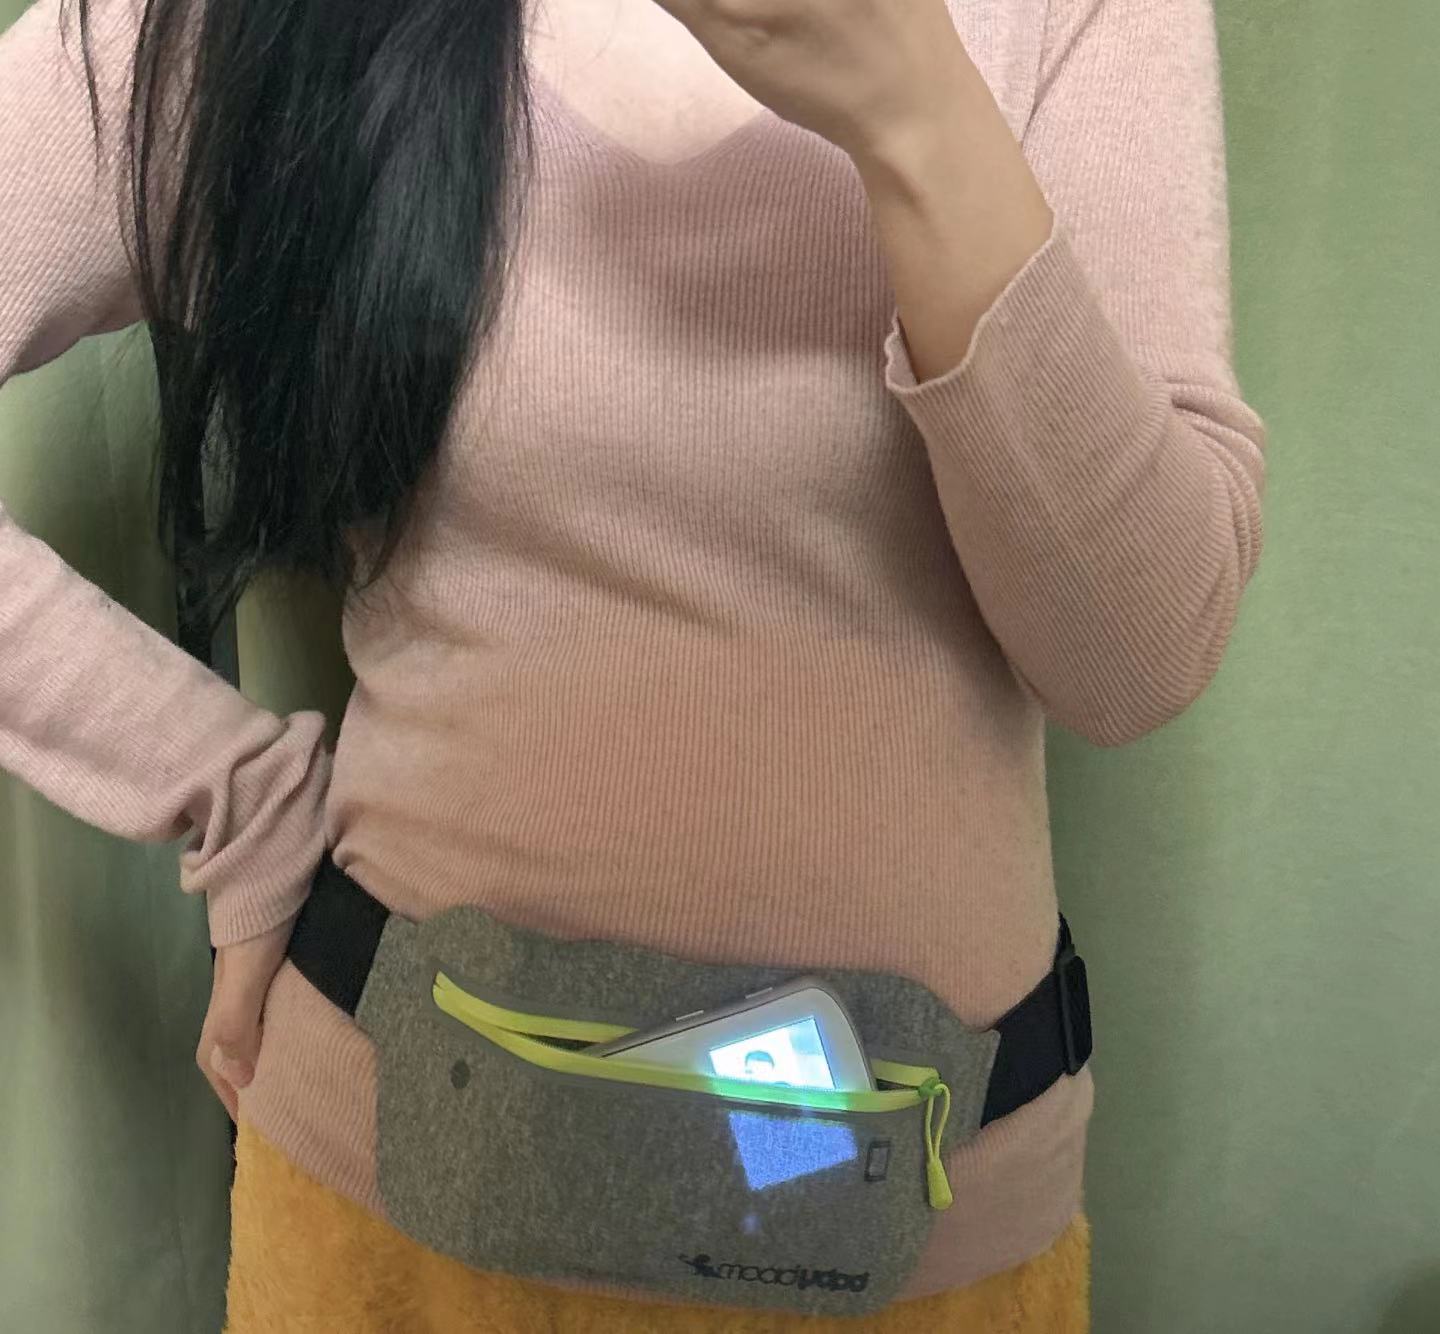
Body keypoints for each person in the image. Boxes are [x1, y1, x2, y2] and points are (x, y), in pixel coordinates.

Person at [0, 0, 1267, 1327]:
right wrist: (237, 800)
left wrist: (919, 117)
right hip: (387, 1226)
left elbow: (1137, 653)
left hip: (925, 1244)